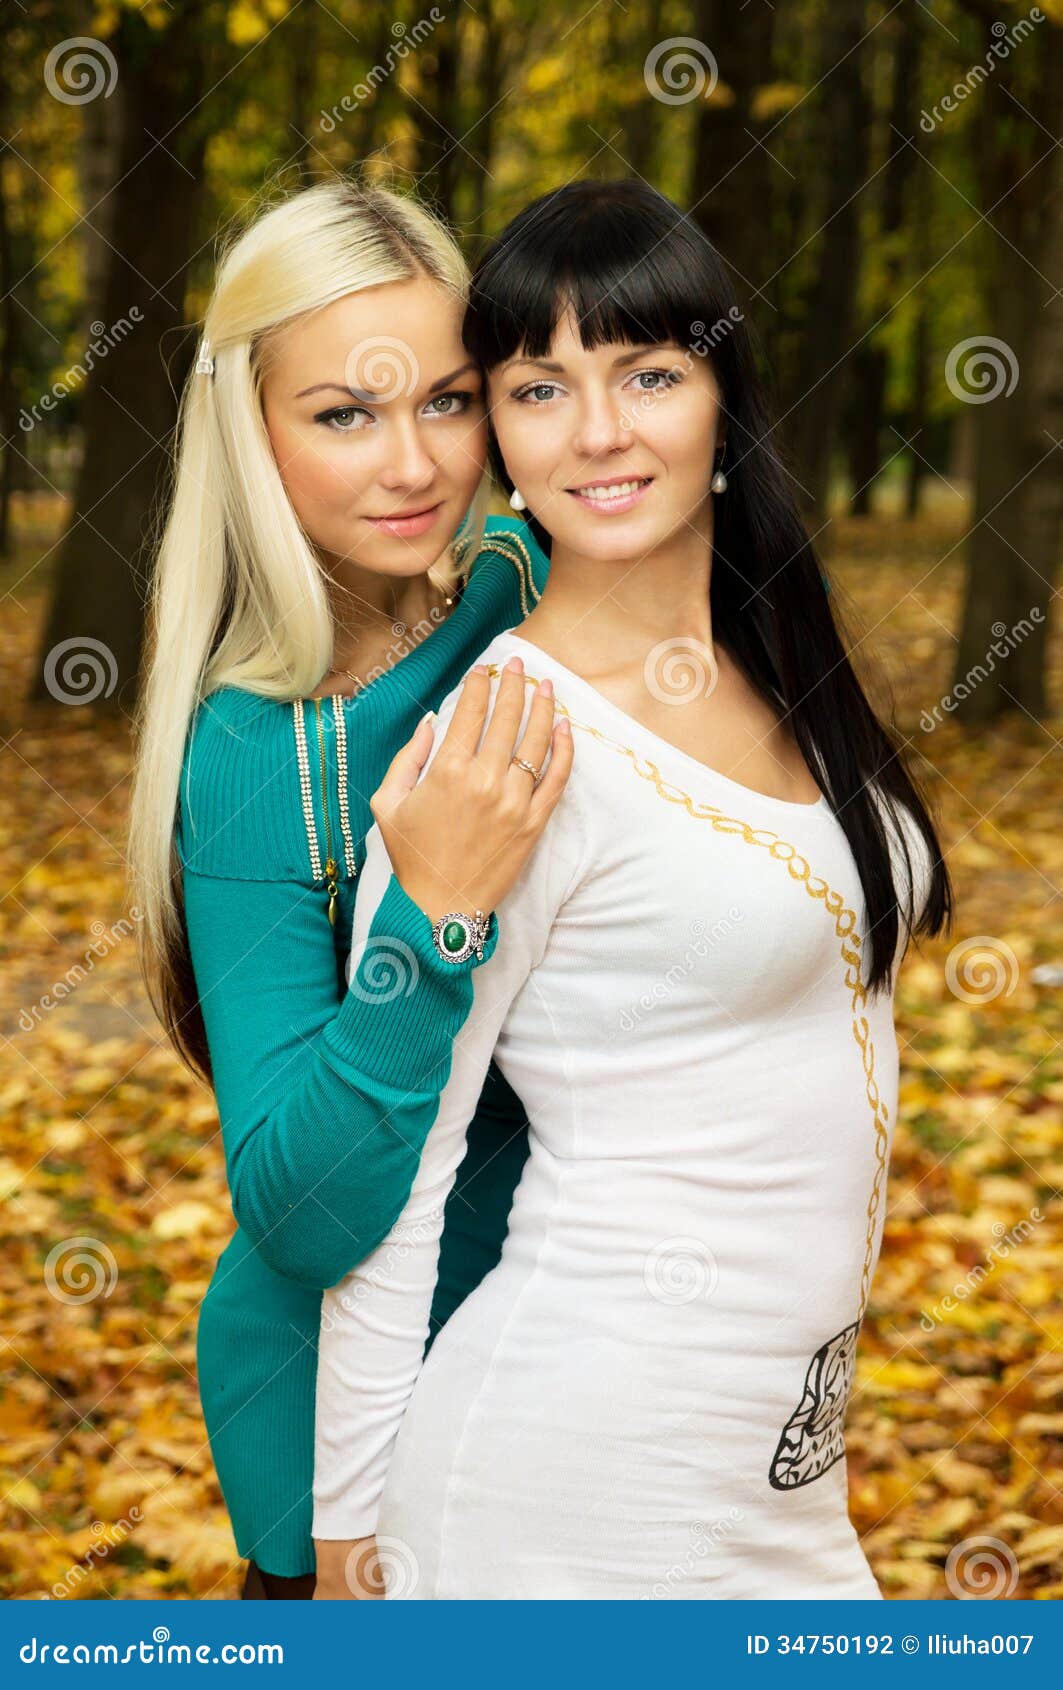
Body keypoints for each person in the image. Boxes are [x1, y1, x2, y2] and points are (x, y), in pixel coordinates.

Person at [310, 179, 953, 1599]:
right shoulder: (505, 737)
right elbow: (402, 1163)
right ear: (502, 440)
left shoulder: (781, 659)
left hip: (778, 1487)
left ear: (725, 399)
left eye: (649, 373)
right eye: (542, 388)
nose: (599, 433)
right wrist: (352, 1529)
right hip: (572, 1488)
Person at [127, 176, 573, 1598]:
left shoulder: (521, 578)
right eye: (343, 414)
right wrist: (428, 922)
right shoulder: (257, 753)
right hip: (335, 1426)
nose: (415, 464)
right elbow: (299, 1212)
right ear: (249, 433)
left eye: (447, 399)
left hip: (573, 1369)